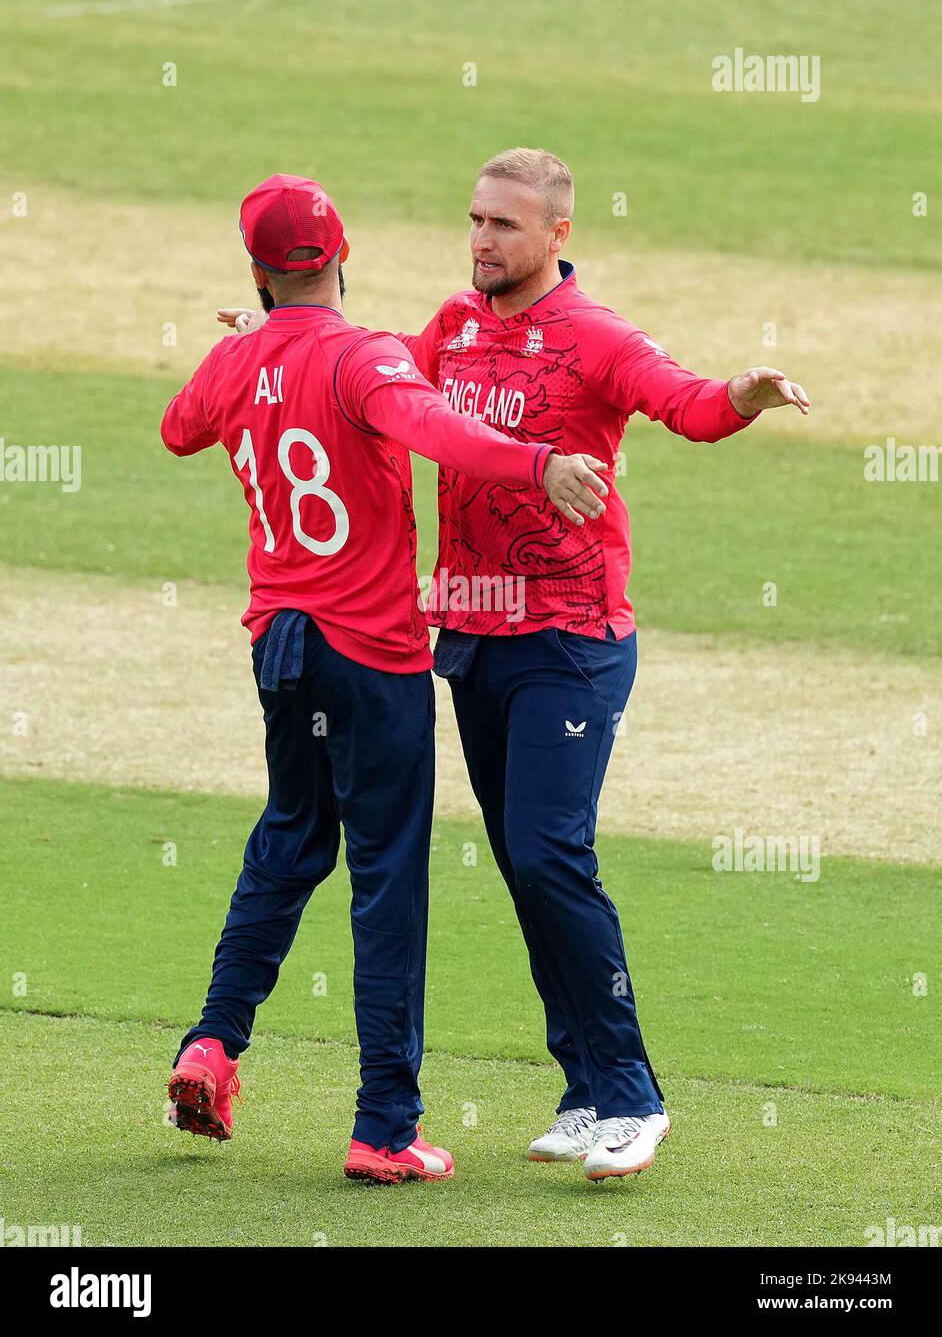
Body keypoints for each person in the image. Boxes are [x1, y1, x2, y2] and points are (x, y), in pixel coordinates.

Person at [218, 149, 810, 1183]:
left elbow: (681, 402)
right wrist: (274, 337)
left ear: (557, 237)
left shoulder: (597, 338)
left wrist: (741, 395)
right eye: (476, 220)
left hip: (571, 641)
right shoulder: (452, 324)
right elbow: (382, 362)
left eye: (504, 225)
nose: (483, 239)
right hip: (471, 641)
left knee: (548, 853)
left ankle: (632, 1095)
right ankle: (582, 1088)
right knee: (524, 863)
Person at [162, 172, 609, 1185]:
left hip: (279, 644)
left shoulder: (239, 359)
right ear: (342, 257)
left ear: (256, 270)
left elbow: (179, 428)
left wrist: (246, 350)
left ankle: (214, 1042)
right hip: (372, 654)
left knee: (287, 841)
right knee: (388, 879)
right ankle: (383, 1125)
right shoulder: (365, 359)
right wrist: (537, 465)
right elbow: (436, 430)